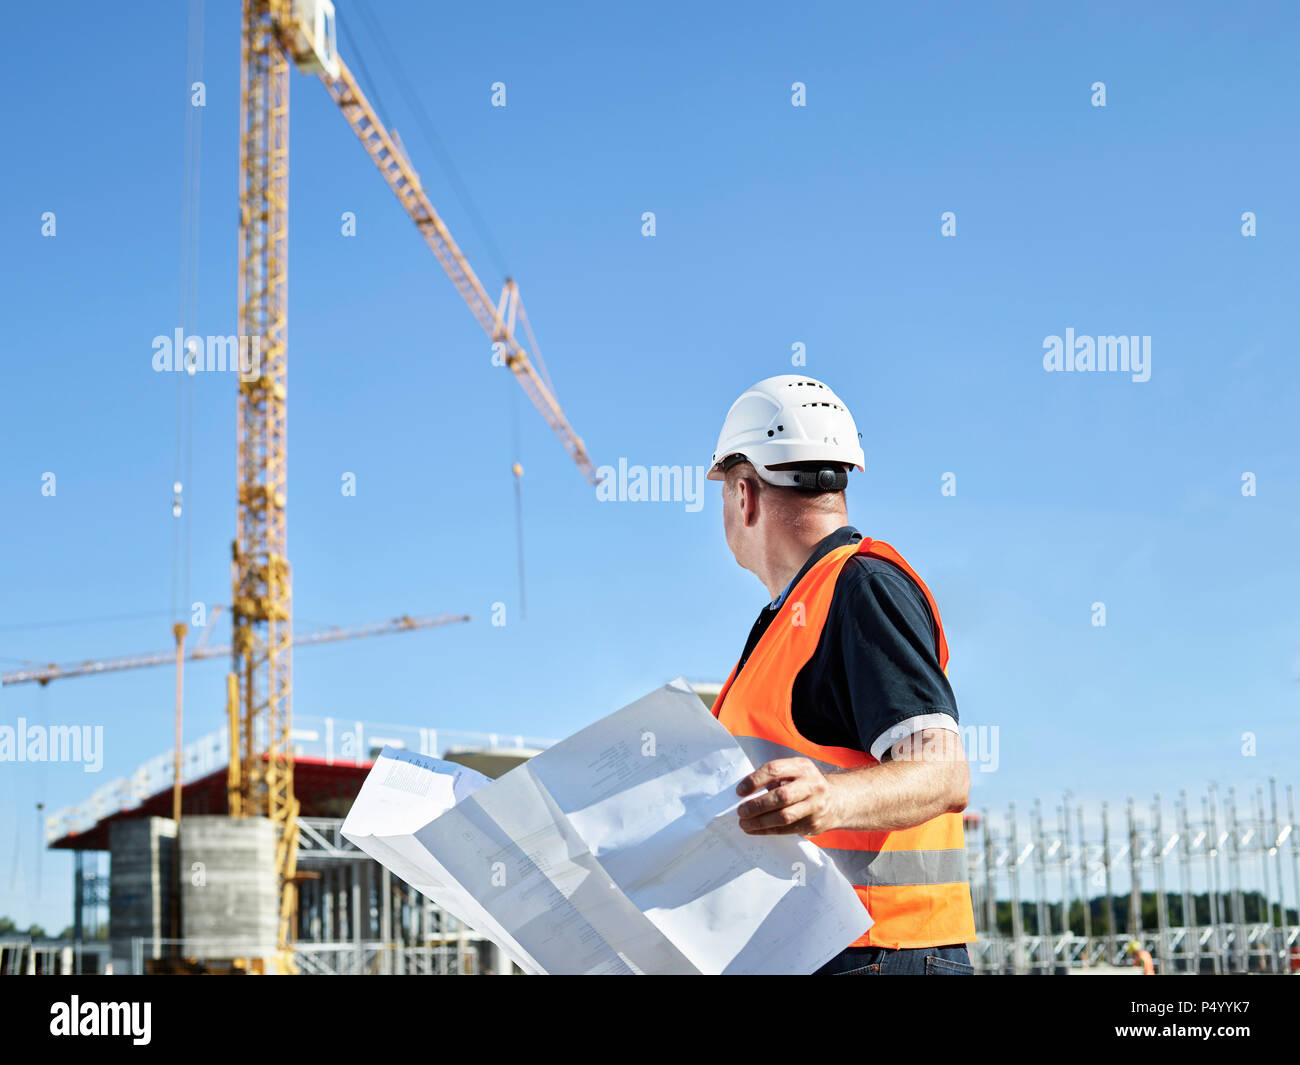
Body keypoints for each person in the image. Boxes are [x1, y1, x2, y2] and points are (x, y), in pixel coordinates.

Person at [706, 374, 977, 975]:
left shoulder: (862, 588)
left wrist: (827, 797)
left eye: (723, 489)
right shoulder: (790, 617)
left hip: (881, 952)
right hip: (817, 952)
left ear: (745, 493)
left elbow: (942, 774)